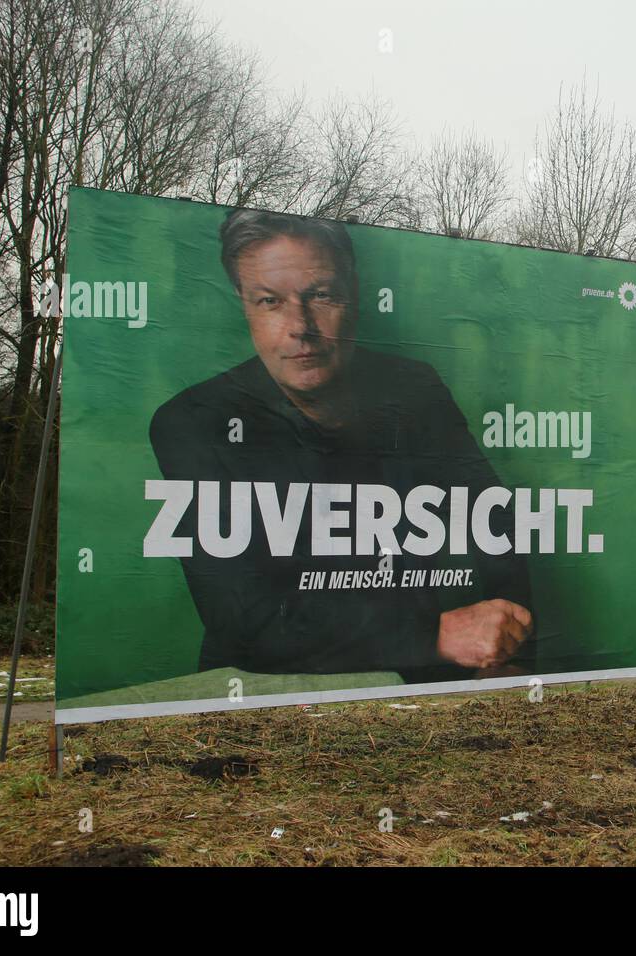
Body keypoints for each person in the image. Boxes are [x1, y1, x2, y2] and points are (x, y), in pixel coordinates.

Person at [148, 208, 534, 681]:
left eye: (321, 295)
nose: (300, 326)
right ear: (243, 302)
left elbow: (497, 521)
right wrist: (430, 636)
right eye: (270, 301)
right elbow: (242, 619)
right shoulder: (191, 421)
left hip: (420, 686)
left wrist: (503, 637)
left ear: (353, 293)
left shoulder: (414, 388)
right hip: (261, 696)